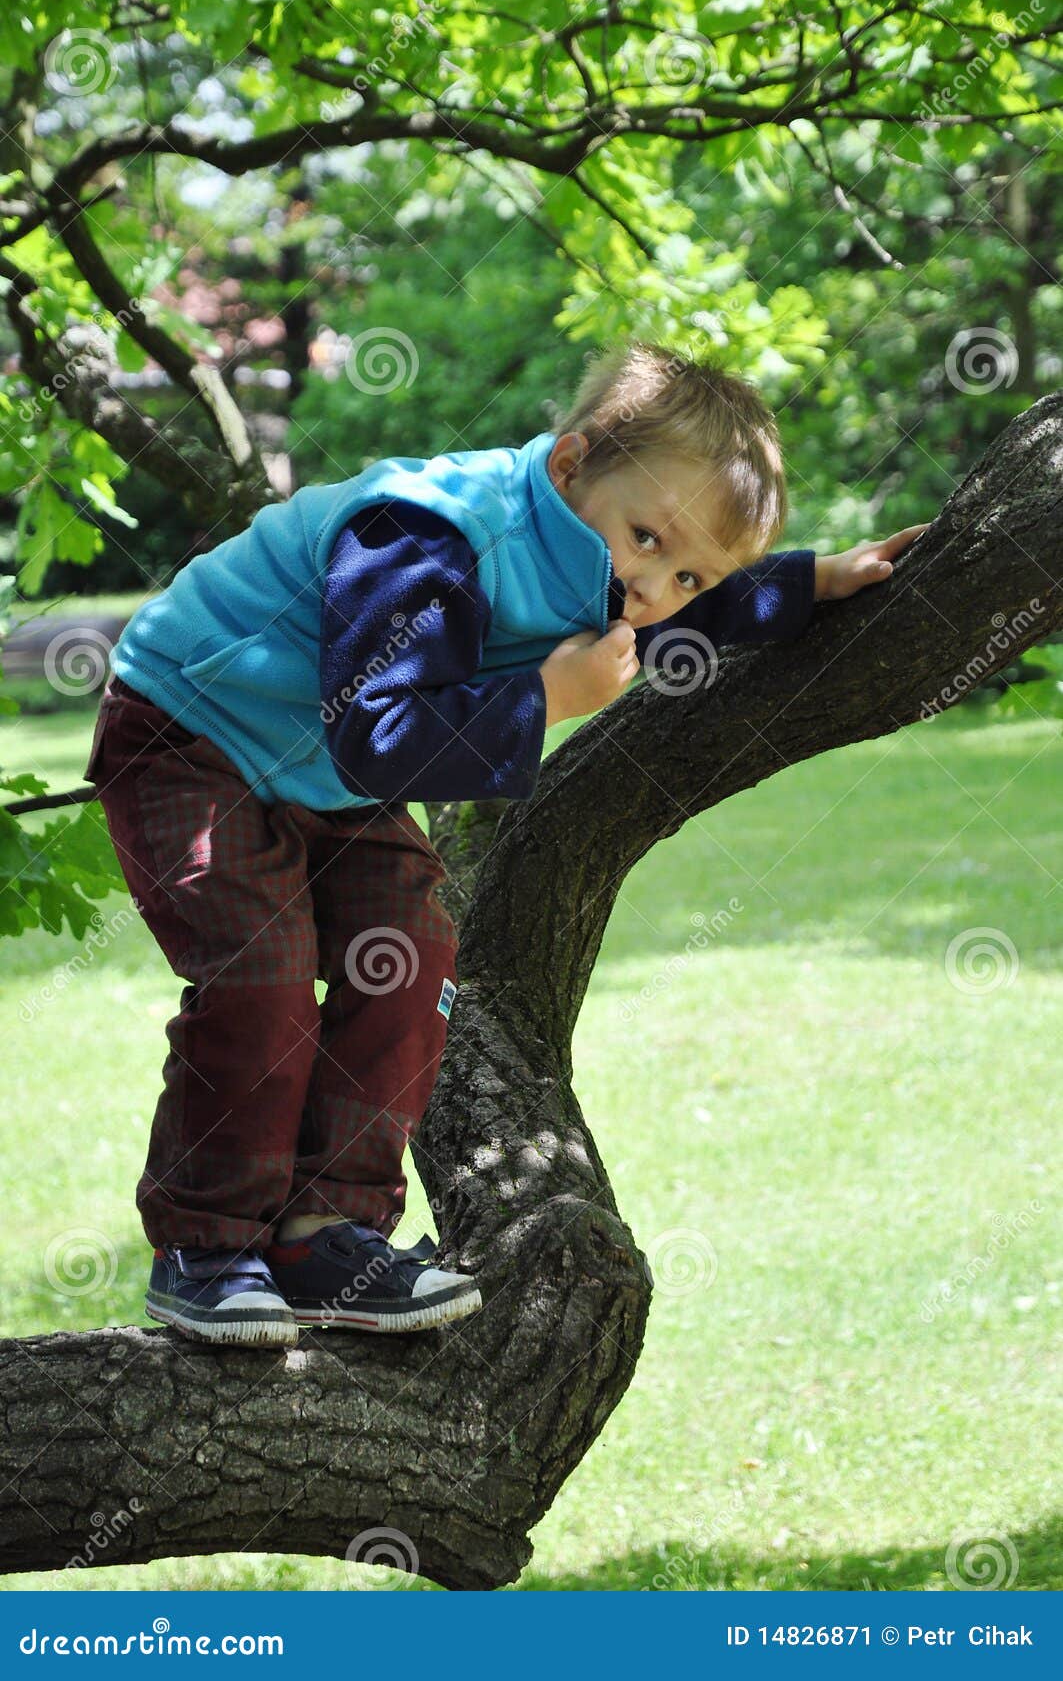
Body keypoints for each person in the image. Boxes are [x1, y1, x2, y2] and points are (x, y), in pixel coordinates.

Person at [83, 339, 928, 1347]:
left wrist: (810, 583)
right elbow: (379, 731)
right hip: (196, 726)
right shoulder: (424, 539)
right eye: (648, 539)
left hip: (324, 770)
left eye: (691, 570)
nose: (656, 588)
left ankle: (325, 1232)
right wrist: (543, 698)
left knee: (409, 955)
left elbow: (684, 612)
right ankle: (208, 1246)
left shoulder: (608, 556)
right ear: (569, 465)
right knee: (263, 970)